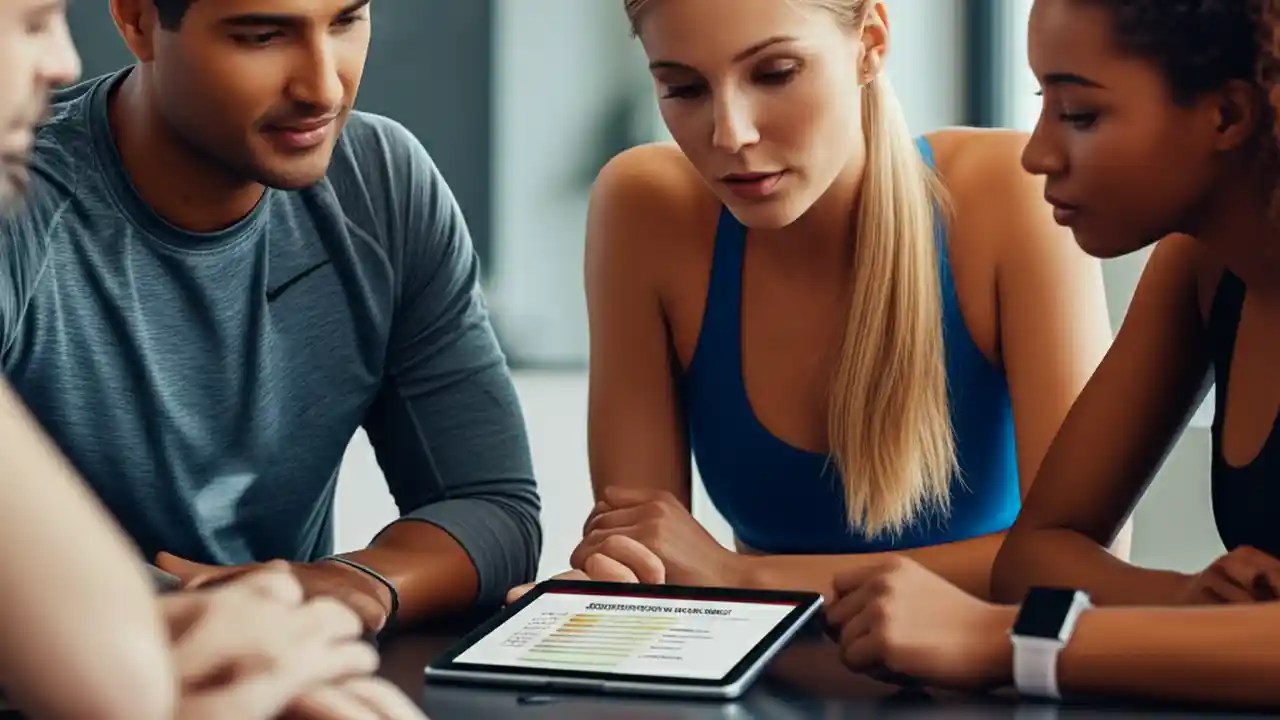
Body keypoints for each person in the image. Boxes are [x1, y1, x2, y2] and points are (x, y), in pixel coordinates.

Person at [535, 0, 1115, 602]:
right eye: (684, 88)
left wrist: (745, 577)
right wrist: (590, 596)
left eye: (775, 73)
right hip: (751, 685)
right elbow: (644, 555)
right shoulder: (644, 208)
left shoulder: (1012, 198)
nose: (730, 134)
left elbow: (1085, 562)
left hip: (986, 689)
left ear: (870, 44)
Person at [0, 0, 541, 634]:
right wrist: (210, 616)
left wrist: (353, 584)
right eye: (261, 36)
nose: (322, 87)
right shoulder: (19, 201)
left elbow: (491, 508)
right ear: (139, 22)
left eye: (345, 21)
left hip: (282, 671)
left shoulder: (381, 185)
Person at [823, 0, 1280, 709]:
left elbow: (1019, 605)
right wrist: (1190, 603)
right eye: (1044, 102)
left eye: (1079, 114)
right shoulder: (1199, 269)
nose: (1036, 153)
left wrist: (1007, 642)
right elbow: (1036, 554)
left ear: (1227, 114)